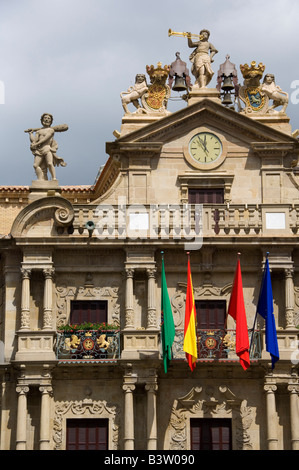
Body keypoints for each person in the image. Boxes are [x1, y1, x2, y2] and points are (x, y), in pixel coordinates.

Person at [27, 113, 66, 180]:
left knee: (50, 163)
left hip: (47, 148)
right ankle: (40, 179)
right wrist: (30, 134)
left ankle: (54, 178)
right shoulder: (38, 131)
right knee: (35, 165)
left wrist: (35, 144)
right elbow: (34, 141)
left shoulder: (51, 130)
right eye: (45, 118)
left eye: (48, 118)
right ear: (42, 120)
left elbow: (45, 138)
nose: (47, 119)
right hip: (39, 150)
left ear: (51, 121)